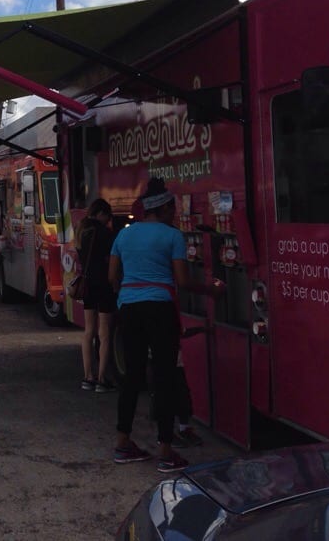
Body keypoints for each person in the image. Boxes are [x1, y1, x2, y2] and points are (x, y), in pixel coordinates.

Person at [109, 178, 222, 473]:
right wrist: (211, 290)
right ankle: (166, 451)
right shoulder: (172, 237)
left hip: (129, 308)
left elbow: (112, 277)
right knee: (165, 376)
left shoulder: (124, 235)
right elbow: (183, 281)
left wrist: (128, 292)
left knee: (132, 377)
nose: (174, 213)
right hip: (160, 308)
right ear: (165, 208)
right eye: (172, 207)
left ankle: (123, 444)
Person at [77, 199, 117, 393]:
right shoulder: (106, 234)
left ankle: (87, 376)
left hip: (88, 285)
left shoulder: (81, 232)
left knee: (88, 331)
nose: (108, 220)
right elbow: (112, 262)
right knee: (105, 332)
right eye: (107, 217)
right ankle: (102, 378)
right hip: (104, 285)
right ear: (101, 213)